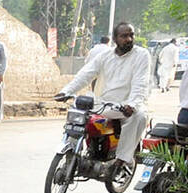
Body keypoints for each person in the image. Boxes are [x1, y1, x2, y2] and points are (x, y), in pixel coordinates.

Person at [56, 22, 150, 179]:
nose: (129, 39)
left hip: (125, 106)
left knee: (139, 116)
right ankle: (69, 156)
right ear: (114, 39)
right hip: (101, 103)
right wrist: (66, 91)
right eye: (124, 36)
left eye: (131, 35)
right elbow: (86, 74)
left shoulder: (141, 55)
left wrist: (132, 105)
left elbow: (140, 83)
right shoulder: (105, 56)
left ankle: (120, 162)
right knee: (77, 115)